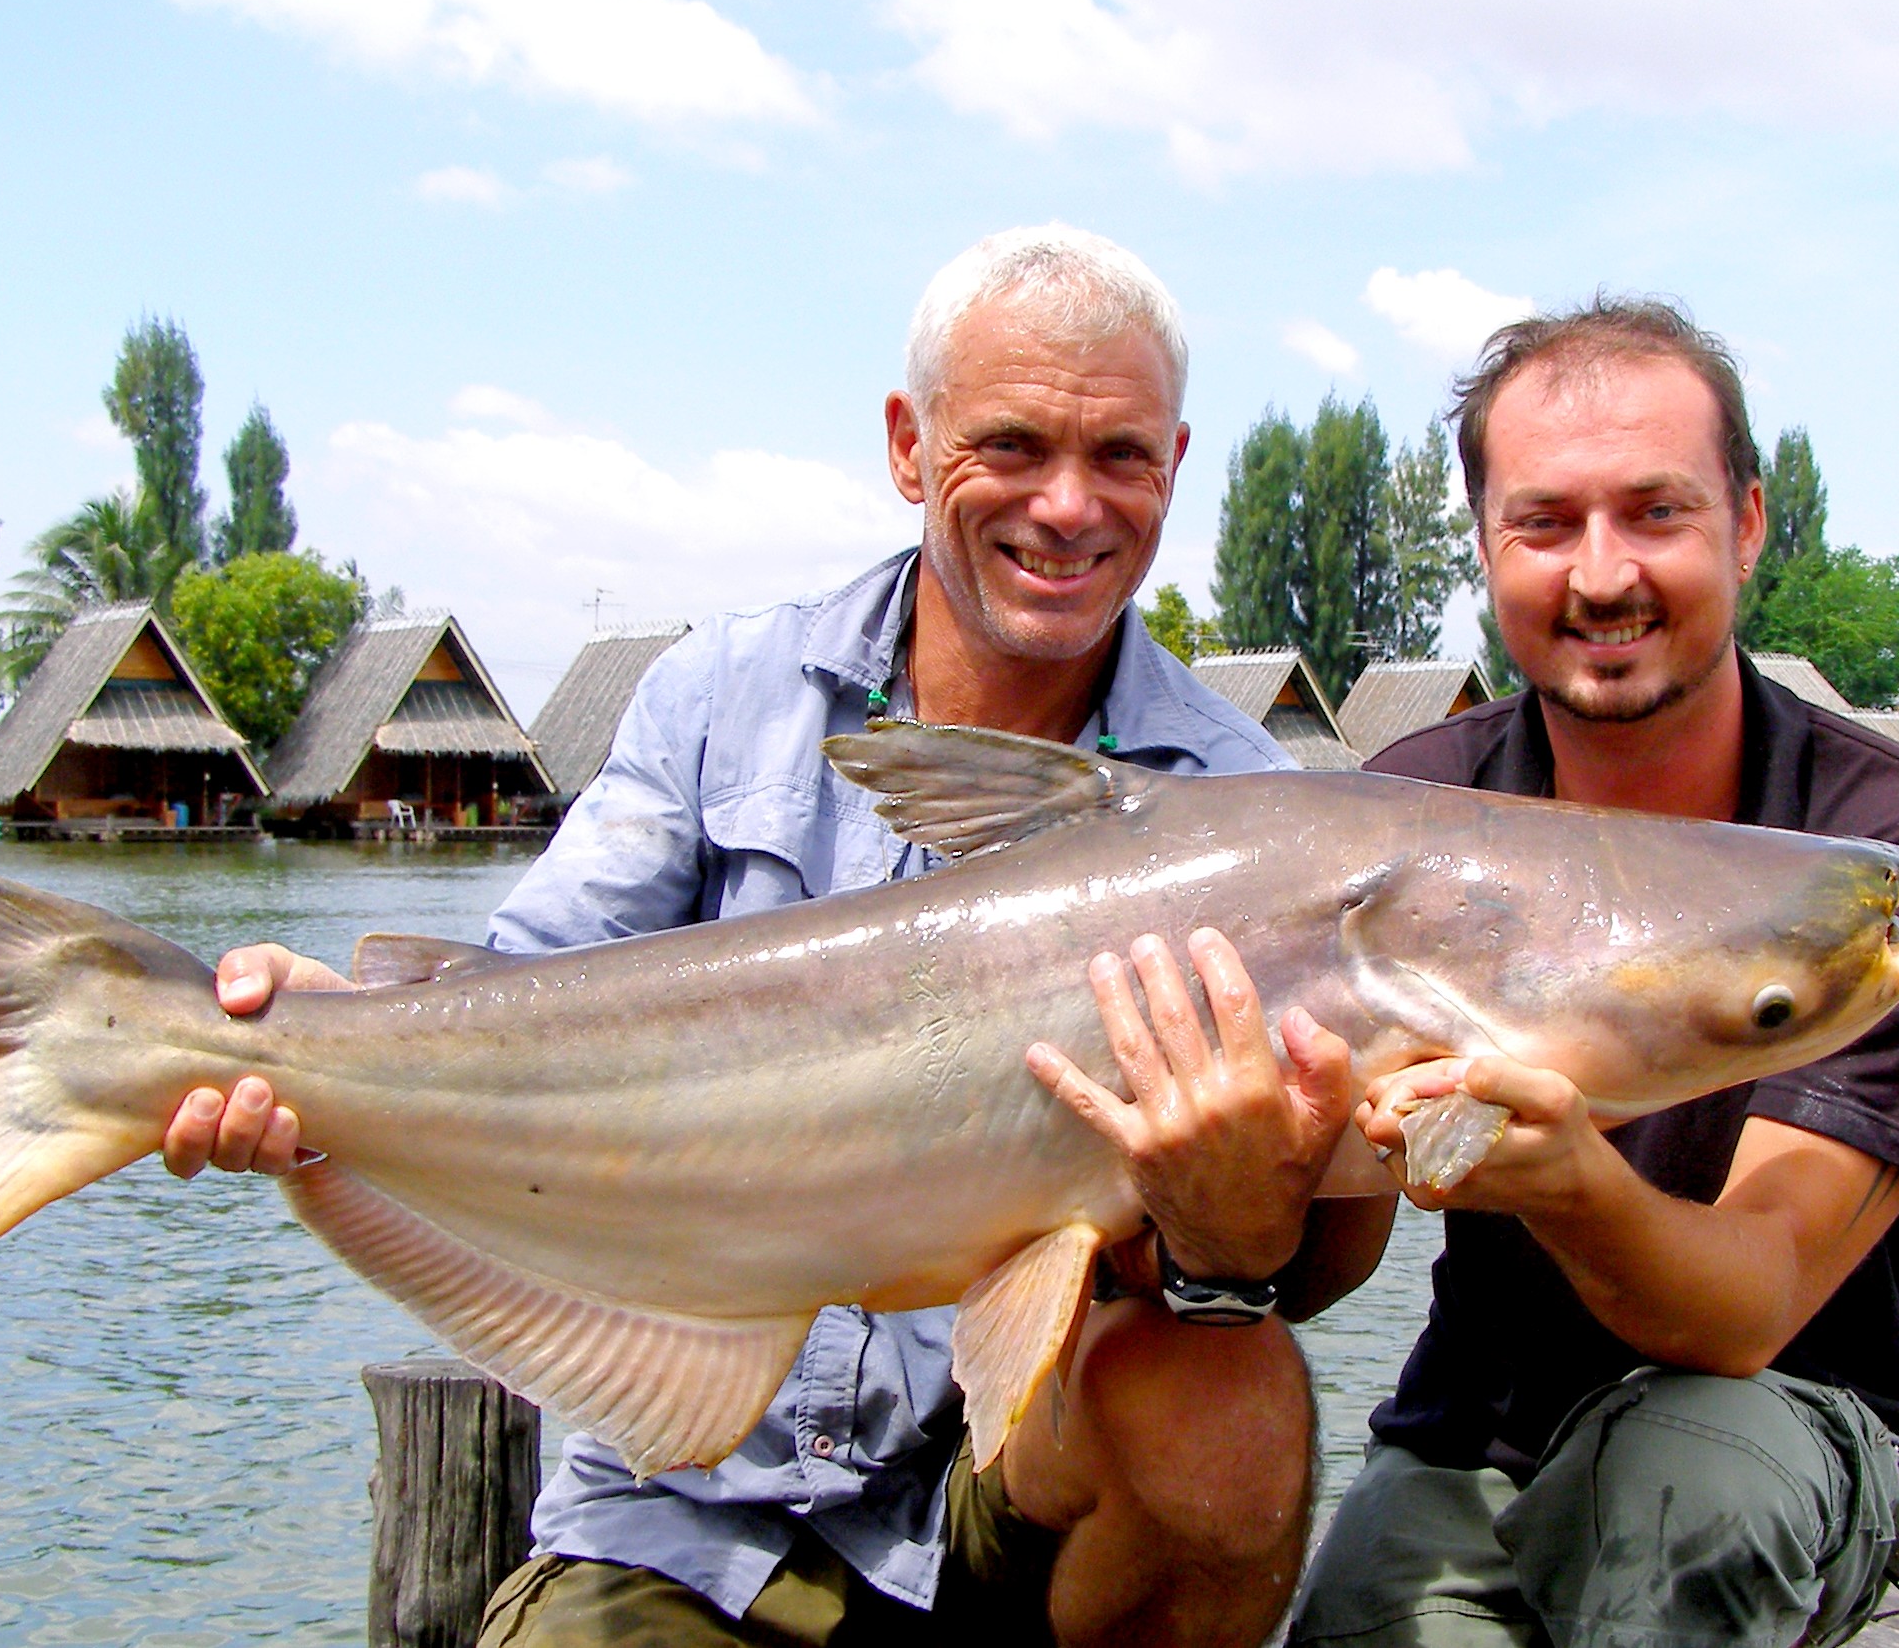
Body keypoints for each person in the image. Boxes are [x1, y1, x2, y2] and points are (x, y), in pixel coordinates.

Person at [165, 225, 1396, 1646]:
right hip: (687, 1497)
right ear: (905, 442)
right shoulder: (721, 696)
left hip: (1014, 1491)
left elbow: (1311, 1252)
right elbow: (518, 1001)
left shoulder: (1253, 809)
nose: (1068, 505)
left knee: (1227, 1393)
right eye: (1010, 445)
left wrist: (1224, 1232)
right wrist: (329, 1057)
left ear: (1174, 464)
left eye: (1118, 455)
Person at [1285, 298, 1899, 1648]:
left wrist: (1571, 1178)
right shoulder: (1406, 808)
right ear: (1482, 546)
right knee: (1358, 1611)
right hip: (1477, 1431)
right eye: (1543, 522)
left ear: (1747, 522)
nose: (1599, 574)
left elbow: (1746, 1307)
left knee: (1692, 1483)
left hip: (1779, 1419)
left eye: (1654, 512)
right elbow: (1333, 1234)